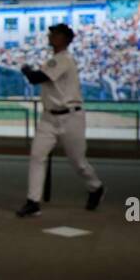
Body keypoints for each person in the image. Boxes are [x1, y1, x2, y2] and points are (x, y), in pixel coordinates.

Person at [16, 23, 103, 218]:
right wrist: (29, 70)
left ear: (65, 39)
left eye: (56, 34)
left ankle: (95, 187)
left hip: (71, 117)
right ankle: (33, 202)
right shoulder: (54, 60)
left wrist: (26, 69)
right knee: (37, 156)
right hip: (49, 118)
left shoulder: (64, 59)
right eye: (52, 34)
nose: (51, 36)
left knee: (78, 162)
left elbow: (36, 78)